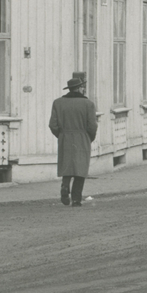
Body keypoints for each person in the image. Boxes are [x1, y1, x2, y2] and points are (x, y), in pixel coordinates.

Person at [49, 72, 99, 206]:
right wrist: (90, 137)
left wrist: (60, 135)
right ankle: (76, 199)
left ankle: (65, 186)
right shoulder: (88, 104)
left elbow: (53, 125)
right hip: (82, 137)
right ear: (79, 88)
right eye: (82, 87)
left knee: (67, 165)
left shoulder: (58, 103)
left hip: (65, 137)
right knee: (80, 169)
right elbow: (92, 125)